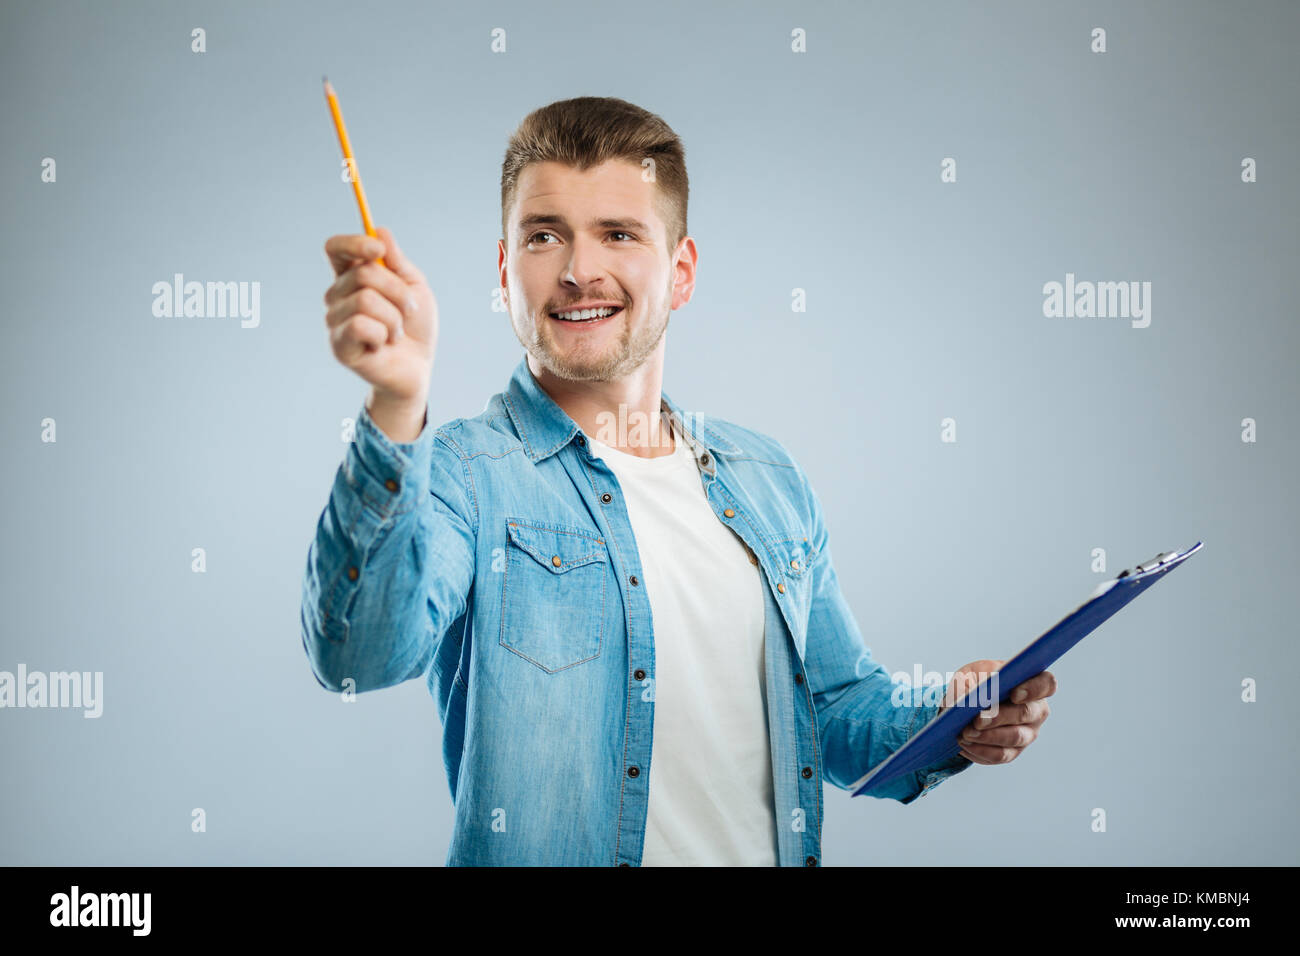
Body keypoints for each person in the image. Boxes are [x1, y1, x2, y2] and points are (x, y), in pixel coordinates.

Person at [301, 96, 1056, 866]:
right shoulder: (465, 472)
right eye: (543, 235)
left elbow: (834, 708)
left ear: (681, 271)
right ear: (504, 270)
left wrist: (947, 715)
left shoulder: (768, 479)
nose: (577, 270)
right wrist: (397, 402)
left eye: (618, 234)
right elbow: (357, 657)